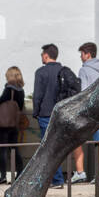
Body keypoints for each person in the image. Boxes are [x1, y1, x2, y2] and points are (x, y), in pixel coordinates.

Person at [32, 44, 79, 187]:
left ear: (46, 55)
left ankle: (56, 179)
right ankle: (56, 178)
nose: (41, 57)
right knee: (56, 147)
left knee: (48, 148)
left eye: (42, 55)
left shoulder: (41, 72)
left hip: (46, 114)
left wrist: (35, 112)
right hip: (61, 113)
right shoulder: (63, 71)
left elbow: (38, 95)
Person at [71, 42, 99, 184]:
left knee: (76, 139)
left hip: (88, 112)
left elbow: (84, 92)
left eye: (82, 54)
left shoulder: (84, 70)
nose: (81, 57)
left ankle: (80, 172)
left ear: (88, 54)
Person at [0, 66, 26, 184]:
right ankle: (20, 173)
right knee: (15, 149)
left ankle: (3, 176)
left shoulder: (8, 89)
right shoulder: (21, 91)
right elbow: (21, 107)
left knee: (2, 150)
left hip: (3, 125)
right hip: (14, 124)